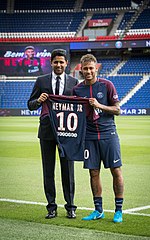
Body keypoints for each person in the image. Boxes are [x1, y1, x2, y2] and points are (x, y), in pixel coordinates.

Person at [27, 49, 79, 219]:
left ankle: (70, 207)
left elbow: (77, 107)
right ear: (51, 63)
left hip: (67, 133)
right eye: (55, 62)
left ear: (66, 63)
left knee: (68, 171)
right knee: (48, 171)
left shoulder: (74, 82)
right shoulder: (41, 80)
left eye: (61, 62)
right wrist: (38, 100)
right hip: (47, 132)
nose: (58, 65)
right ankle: (51, 207)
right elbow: (30, 104)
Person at [73, 54, 124, 223]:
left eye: (91, 68)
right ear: (81, 69)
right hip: (89, 136)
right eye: (85, 68)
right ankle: (98, 210)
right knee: (93, 172)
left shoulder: (107, 85)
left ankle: (118, 210)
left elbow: (118, 110)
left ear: (96, 68)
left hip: (108, 134)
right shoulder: (77, 90)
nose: (88, 71)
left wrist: (99, 105)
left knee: (115, 171)